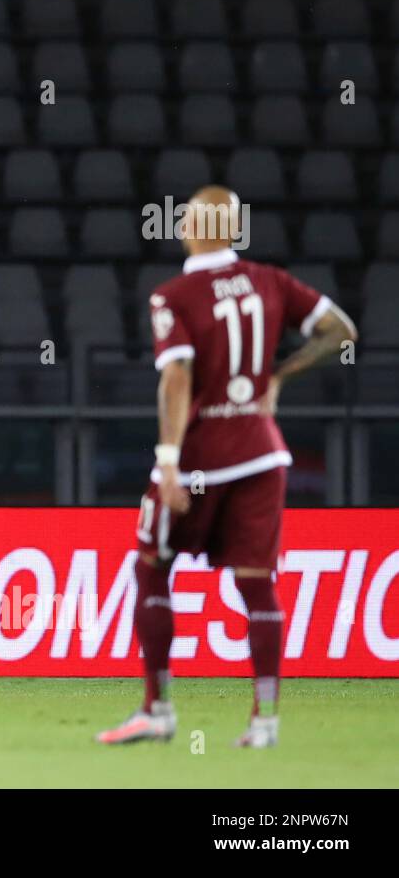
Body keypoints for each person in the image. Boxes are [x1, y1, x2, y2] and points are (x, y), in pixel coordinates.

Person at [97, 186, 357, 748]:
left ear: (189, 226)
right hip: (263, 455)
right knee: (258, 585)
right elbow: (341, 330)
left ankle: (158, 710)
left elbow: (177, 376)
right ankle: (265, 723)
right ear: (235, 229)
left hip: (199, 458)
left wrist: (167, 460)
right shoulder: (270, 281)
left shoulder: (175, 295)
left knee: (152, 567)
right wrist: (279, 378)